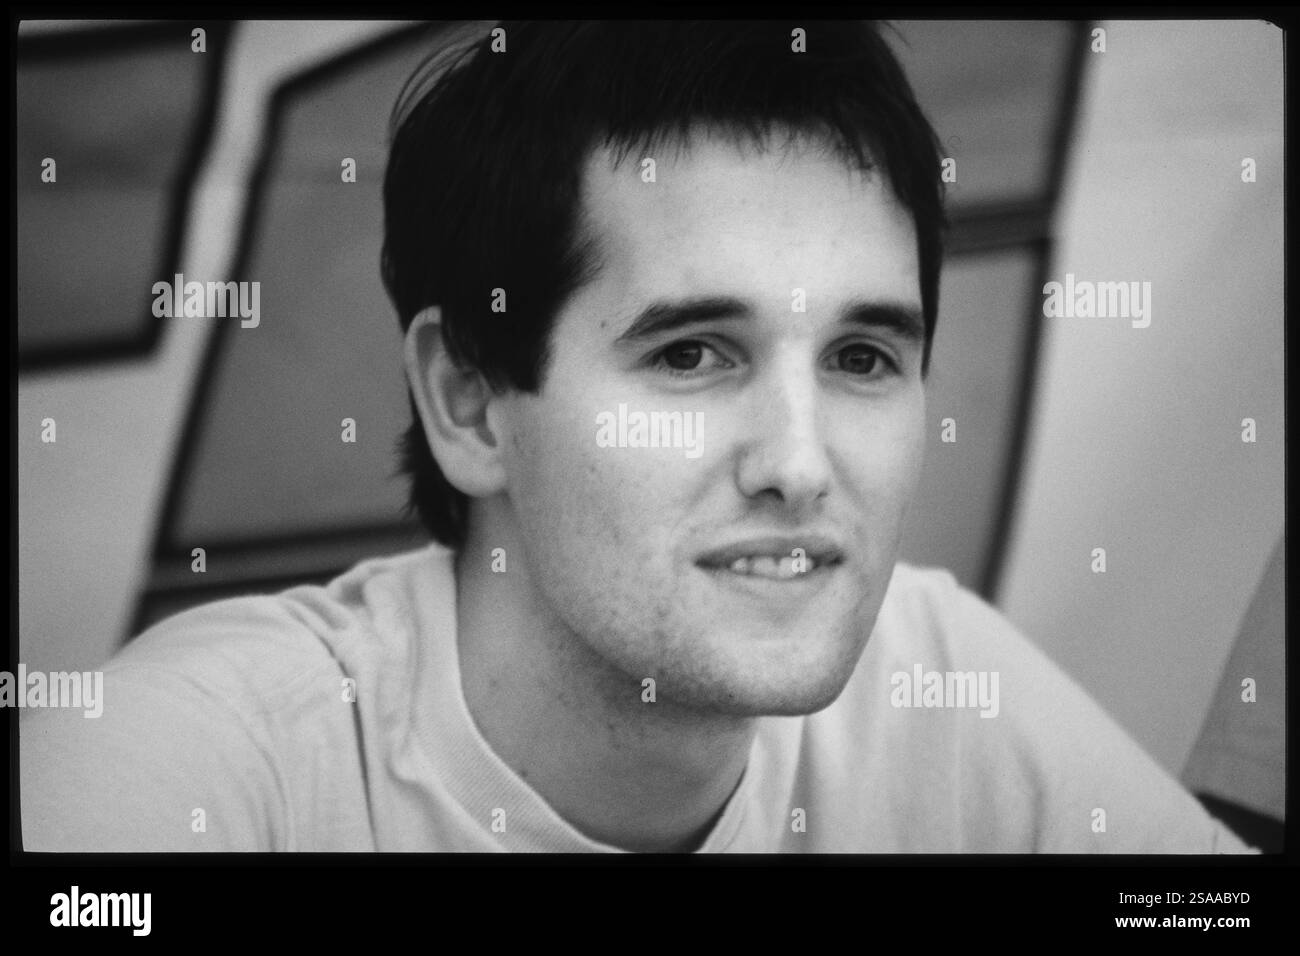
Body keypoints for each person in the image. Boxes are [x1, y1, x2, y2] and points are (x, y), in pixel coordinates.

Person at [21, 20, 1254, 853]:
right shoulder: (191, 767)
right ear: (468, 401)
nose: (799, 462)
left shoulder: (941, 682)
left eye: (862, 357)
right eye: (690, 354)